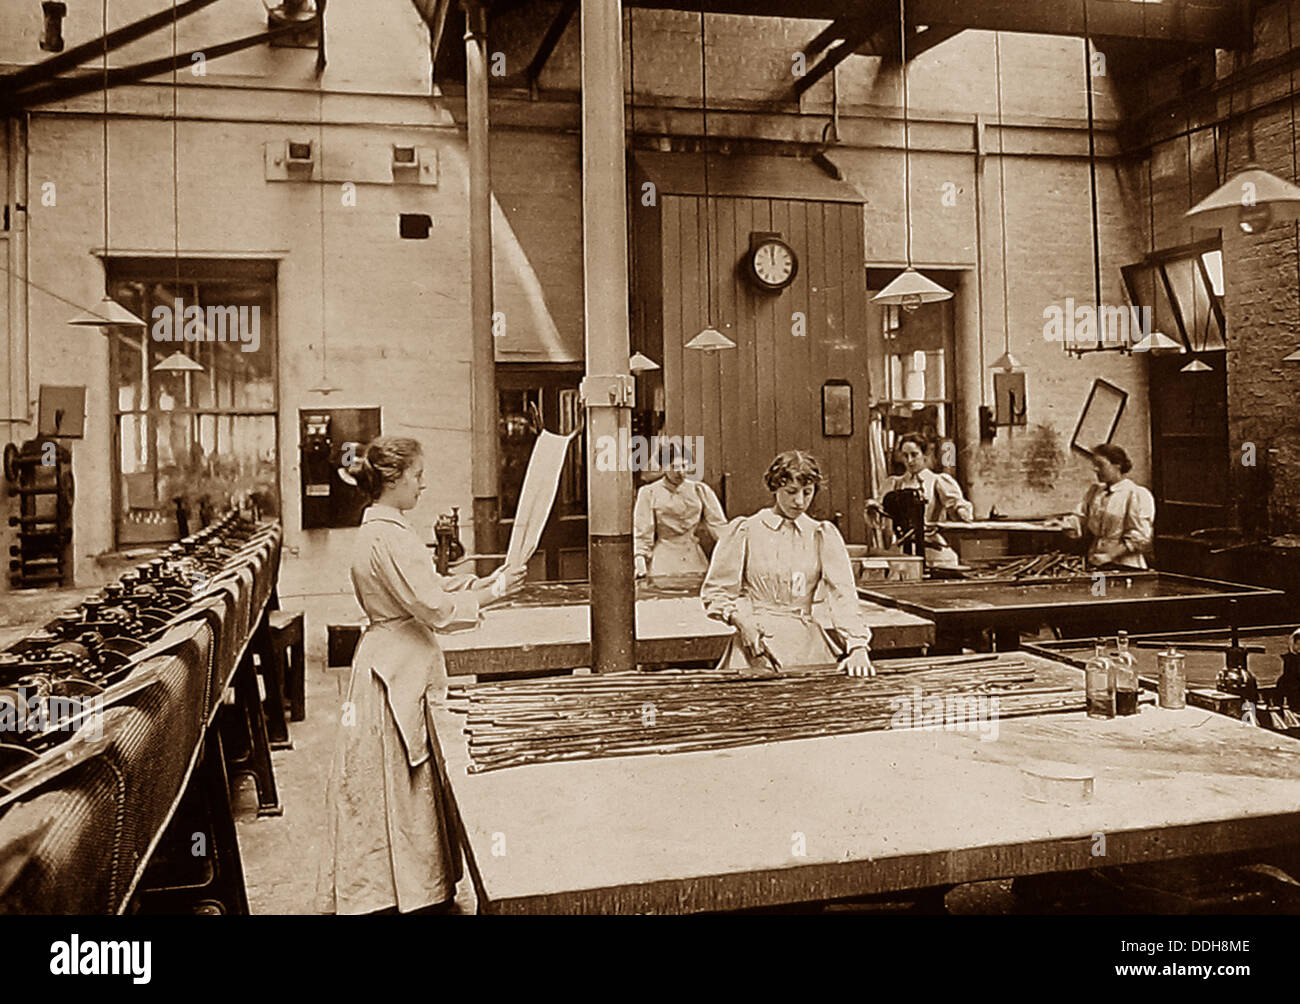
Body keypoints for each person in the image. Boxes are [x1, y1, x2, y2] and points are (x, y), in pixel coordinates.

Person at [317, 437, 526, 915]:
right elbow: (432, 607)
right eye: (416, 476)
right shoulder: (387, 536)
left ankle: (403, 887)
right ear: (392, 480)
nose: (423, 484)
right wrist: (494, 590)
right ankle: (402, 893)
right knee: (399, 781)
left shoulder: (386, 530)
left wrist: (470, 582)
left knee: (398, 785)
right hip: (396, 668)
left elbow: (425, 586)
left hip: (394, 657)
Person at [701, 450, 873, 676]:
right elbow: (716, 592)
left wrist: (857, 646)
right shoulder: (746, 530)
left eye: (807, 492)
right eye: (791, 492)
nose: (799, 501)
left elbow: (843, 594)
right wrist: (742, 621)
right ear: (775, 488)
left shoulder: (821, 534)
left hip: (807, 647)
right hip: (756, 647)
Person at [865, 432, 974, 567]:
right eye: (905, 456)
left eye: (914, 455)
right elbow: (880, 513)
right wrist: (873, 508)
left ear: (925, 455)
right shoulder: (893, 483)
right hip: (902, 548)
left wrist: (961, 510)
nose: (909, 460)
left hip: (932, 549)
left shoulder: (938, 481)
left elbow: (957, 504)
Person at [633, 443, 727, 578]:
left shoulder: (700, 490)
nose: (680, 471)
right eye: (674, 466)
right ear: (663, 467)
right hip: (664, 561)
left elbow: (718, 526)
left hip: (694, 559)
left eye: (684, 465)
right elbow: (643, 532)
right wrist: (640, 561)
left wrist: (731, 548)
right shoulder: (649, 493)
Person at [1062, 443, 1156, 570]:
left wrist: (1109, 556)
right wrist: (1070, 526)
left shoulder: (1136, 494)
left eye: (1100, 465)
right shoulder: (1095, 492)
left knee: (1115, 590)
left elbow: (1140, 537)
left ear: (1117, 465)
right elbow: (1081, 517)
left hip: (1125, 565)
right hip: (1095, 562)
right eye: (1094, 465)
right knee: (1098, 590)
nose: (1095, 469)